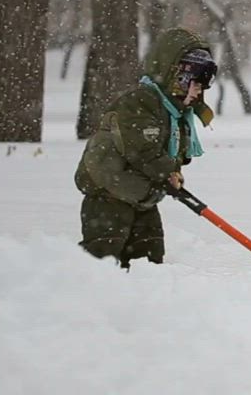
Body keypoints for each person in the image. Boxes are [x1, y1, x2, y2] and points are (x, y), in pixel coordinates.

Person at [75, 27, 218, 268]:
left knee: (149, 255)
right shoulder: (140, 102)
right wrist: (166, 171)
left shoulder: (176, 114)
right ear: (178, 77)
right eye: (196, 84)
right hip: (108, 193)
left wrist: (174, 172)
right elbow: (142, 149)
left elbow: (175, 154)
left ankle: (140, 301)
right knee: (102, 254)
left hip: (142, 195)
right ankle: (75, 291)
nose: (200, 92)